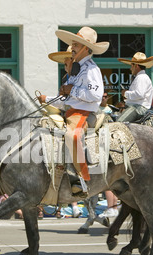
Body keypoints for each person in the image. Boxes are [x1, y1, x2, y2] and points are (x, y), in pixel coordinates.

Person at [37, 27, 109, 196]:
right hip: (71, 112)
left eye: (76, 44)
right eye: (73, 44)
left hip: (83, 114)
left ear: (86, 48)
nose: (73, 47)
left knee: (72, 136)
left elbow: (95, 95)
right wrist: (47, 99)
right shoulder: (77, 69)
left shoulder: (91, 69)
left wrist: (71, 90)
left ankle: (82, 179)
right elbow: (69, 100)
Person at [117, 52, 153, 122]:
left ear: (136, 65)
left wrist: (125, 93)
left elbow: (139, 94)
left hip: (138, 108)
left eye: (131, 65)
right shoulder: (141, 77)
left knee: (118, 123)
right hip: (137, 107)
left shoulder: (141, 77)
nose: (130, 68)